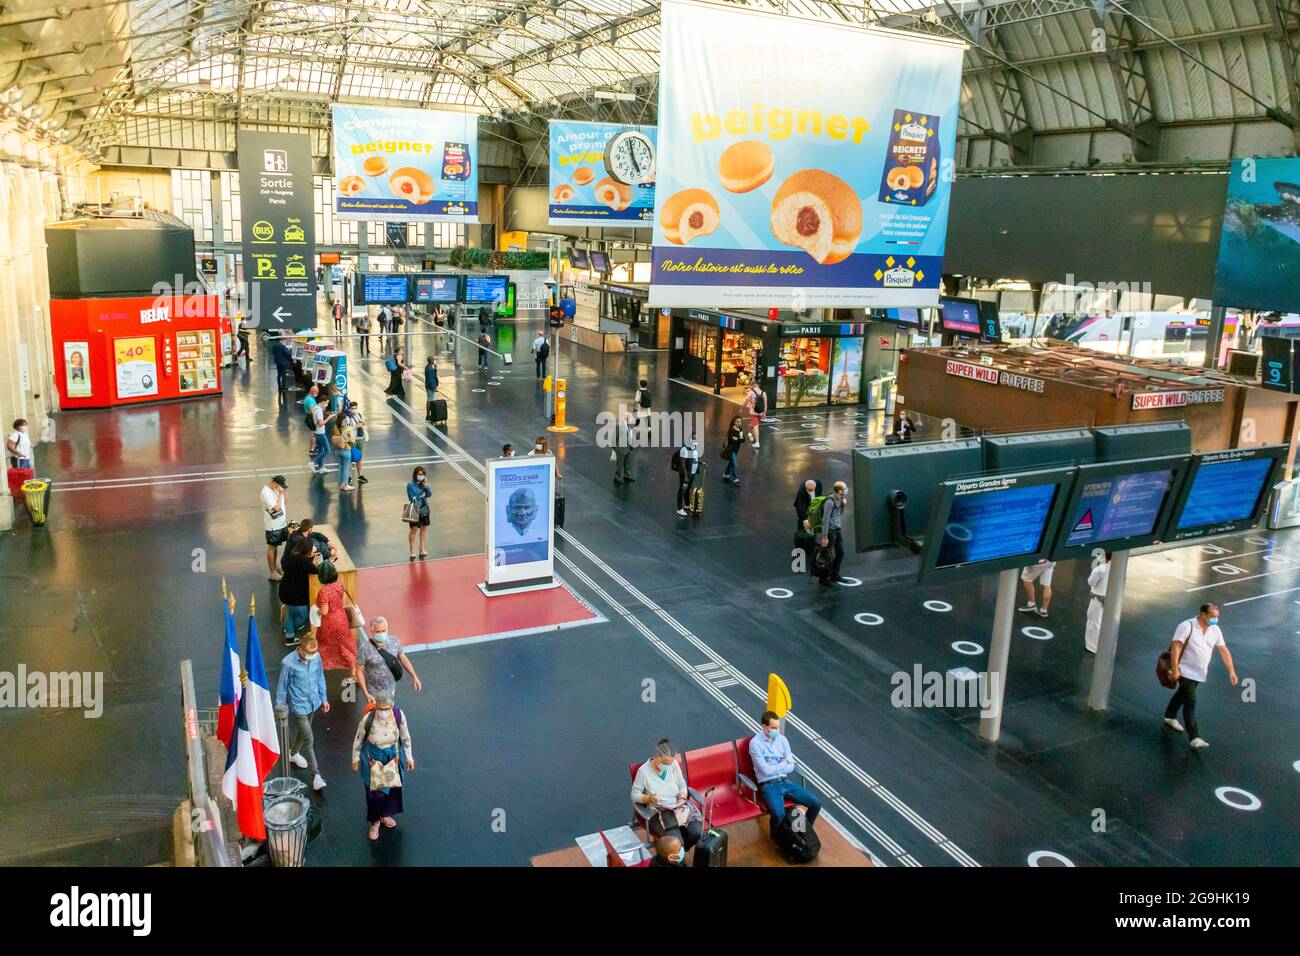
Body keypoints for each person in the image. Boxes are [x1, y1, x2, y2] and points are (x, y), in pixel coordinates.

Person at [1164, 603, 1238, 750]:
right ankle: (1194, 738)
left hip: (1200, 672)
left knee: (1182, 694)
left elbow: (1223, 650)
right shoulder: (1187, 626)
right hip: (1185, 670)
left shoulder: (1215, 630)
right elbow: (1176, 647)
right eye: (1212, 616)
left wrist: (1231, 670)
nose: (1215, 620)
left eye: (1217, 617)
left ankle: (1169, 716)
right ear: (1202, 614)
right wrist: (1175, 668)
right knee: (1190, 702)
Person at [351, 692, 414, 840]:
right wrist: (355, 759)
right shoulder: (369, 719)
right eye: (380, 709)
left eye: (386, 709)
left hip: (392, 757)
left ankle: (385, 814)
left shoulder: (399, 715)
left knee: (392, 790)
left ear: (391, 706)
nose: (383, 712)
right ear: (375, 706)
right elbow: (358, 739)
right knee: (375, 794)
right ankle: (375, 822)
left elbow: (405, 737)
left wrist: (410, 757)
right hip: (374, 759)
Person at [275, 634, 329, 791]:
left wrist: (323, 698)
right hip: (299, 706)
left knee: (303, 732)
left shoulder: (316, 658)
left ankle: (293, 753)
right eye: (309, 652)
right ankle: (316, 776)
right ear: (300, 649)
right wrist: (280, 707)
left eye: (315, 652)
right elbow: (282, 686)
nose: (312, 655)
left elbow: (320, 677)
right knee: (309, 738)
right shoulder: (288, 663)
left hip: (313, 703)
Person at [750, 710, 821, 825]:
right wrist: (783, 764)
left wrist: (776, 766)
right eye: (773, 728)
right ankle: (777, 836)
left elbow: (791, 766)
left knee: (816, 804)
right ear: (764, 726)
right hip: (769, 785)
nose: (776, 731)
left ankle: (804, 832)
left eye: (777, 727)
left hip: (785, 782)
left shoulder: (783, 740)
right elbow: (765, 770)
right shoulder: (755, 743)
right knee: (779, 815)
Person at [630, 739, 702, 851]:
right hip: (659, 813)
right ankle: (676, 853)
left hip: (677, 807)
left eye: (670, 763)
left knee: (697, 834)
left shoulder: (673, 764)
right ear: (657, 756)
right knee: (677, 844)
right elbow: (634, 795)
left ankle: (678, 853)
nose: (668, 767)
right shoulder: (643, 771)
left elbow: (682, 784)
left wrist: (682, 796)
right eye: (665, 764)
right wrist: (649, 798)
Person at [354, 616, 423, 707]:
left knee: (389, 712)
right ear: (372, 631)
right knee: (376, 716)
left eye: (384, 630)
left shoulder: (394, 642)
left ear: (387, 629)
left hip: (391, 689)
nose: (381, 633)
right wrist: (366, 693)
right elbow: (359, 671)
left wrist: (414, 676)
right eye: (378, 632)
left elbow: (403, 659)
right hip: (374, 692)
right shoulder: (365, 649)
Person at [312, 560, 354, 679]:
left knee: (324, 645)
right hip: (341, 617)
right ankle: (354, 673)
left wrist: (316, 610)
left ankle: (322, 670)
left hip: (329, 621)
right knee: (345, 645)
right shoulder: (339, 584)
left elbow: (324, 611)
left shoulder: (324, 591)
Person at [278, 538, 319, 646]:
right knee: (303, 616)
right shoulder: (303, 561)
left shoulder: (292, 556)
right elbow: (315, 570)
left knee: (290, 613)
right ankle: (290, 629)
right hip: (296, 595)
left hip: (285, 590)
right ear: (307, 550)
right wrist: (314, 561)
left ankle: (289, 637)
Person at [818, 480, 849, 586]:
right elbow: (825, 520)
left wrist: (843, 505)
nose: (846, 490)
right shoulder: (829, 502)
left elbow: (839, 515)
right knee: (827, 555)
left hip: (837, 530)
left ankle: (835, 575)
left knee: (840, 553)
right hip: (830, 531)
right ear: (840, 490)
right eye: (845, 488)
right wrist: (824, 537)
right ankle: (823, 578)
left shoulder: (840, 499)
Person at [261, 475, 289, 581]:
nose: (281, 488)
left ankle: (275, 566)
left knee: (276, 545)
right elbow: (276, 508)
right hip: (272, 525)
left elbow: (284, 503)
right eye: (280, 486)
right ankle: (272, 572)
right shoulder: (265, 492)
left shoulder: (276, 489)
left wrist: (284, 493)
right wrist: (281, 493)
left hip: (281, 523)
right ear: (274, 482)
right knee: (272, 547)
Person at [1084, 551, 1111, 654]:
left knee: (1094, 621)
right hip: (1110, 598)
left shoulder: (1100, 569)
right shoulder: (1117, 567)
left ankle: (1092, 646)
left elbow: (1091, 582)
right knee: (1104, 622)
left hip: (1098, 598)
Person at [406, 465, 431, 560]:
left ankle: (422, 548)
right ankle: (411, 550)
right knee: (414, 530)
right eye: (419, 474)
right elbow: (412, 498)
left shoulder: (423, 484)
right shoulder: (410, 485)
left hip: (424, 509)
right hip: (415, 509)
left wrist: (425, 485)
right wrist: (421, 495)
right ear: (415, 475)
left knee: (423, 530)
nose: (421, 476)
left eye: (423, 474)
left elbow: (429, 494)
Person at [674, 441, 701, 517]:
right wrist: (685, 476)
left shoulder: (694, 448)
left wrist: (701, 463)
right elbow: (682, 463)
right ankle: (679, 509)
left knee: (688, 488)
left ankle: (687, 504)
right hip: (686, 474)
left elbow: (695, 458)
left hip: (692, 472)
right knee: (682, 490)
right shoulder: (685, 450)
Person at [344, 402, 368, 485]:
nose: (354, 410)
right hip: (352, 439)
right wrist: (356, 426)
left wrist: (362, 423)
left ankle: (360, 475)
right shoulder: (347, 417)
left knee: (359, 457)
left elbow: (363, 423)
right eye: (352, 408)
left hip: (360, 438)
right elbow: (346, 429)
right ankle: (349, 476)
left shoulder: (359, 414)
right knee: (350, 458)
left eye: (355, 408)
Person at [331, 417, 355, 492]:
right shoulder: (348, 429)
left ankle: (341, 484)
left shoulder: (335, 427)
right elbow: (352, 440)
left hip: (337, 450)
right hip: (345, 450)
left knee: (340, 467)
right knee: (346, 468)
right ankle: (345, 485)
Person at [613, 411, 638, 485]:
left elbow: (631, 434)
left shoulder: (629, 425)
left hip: (629, 447)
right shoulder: (619, 425)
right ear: (626, 418)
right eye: (630, 418)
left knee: (628, 462)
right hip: (621, 448)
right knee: (619, 464)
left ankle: (627, 475)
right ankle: (617, 477)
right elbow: (614, 437)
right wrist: (615, 448)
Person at [722, 415, 744, 486]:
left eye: (740, 421)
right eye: (738, 421)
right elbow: (731, 439)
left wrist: (736, 438)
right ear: (734, 422)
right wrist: (738, 439)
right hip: (731, 450)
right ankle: (735, 478)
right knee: (734, 464)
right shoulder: (731, 429)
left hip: (736, 449)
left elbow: (743, 439)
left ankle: (726, 474)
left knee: (731, 463)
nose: (739, 423)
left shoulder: (740, 429)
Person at [743, 383, 765, 447]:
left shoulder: (751, 392)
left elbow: (746, 401)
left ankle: (757, 442)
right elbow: (765, 404)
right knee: (755, 425)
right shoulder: (763, 393)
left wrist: (742, 408)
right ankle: (752, 436)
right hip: (760, 412)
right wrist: (764, 413)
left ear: (753, 386)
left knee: (755, 426)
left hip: (753, 412)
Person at [423, 356, 440, 421]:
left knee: (431, 399)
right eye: (433, 360)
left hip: (430, 386)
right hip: (430, 387)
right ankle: (427, 415)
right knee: (430, 400)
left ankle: (430, 414)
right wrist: (433, 388)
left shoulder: (428, 367)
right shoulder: (429, 369)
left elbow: (433, 376)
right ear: (431, 361)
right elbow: (430, 379)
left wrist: (435, 369)